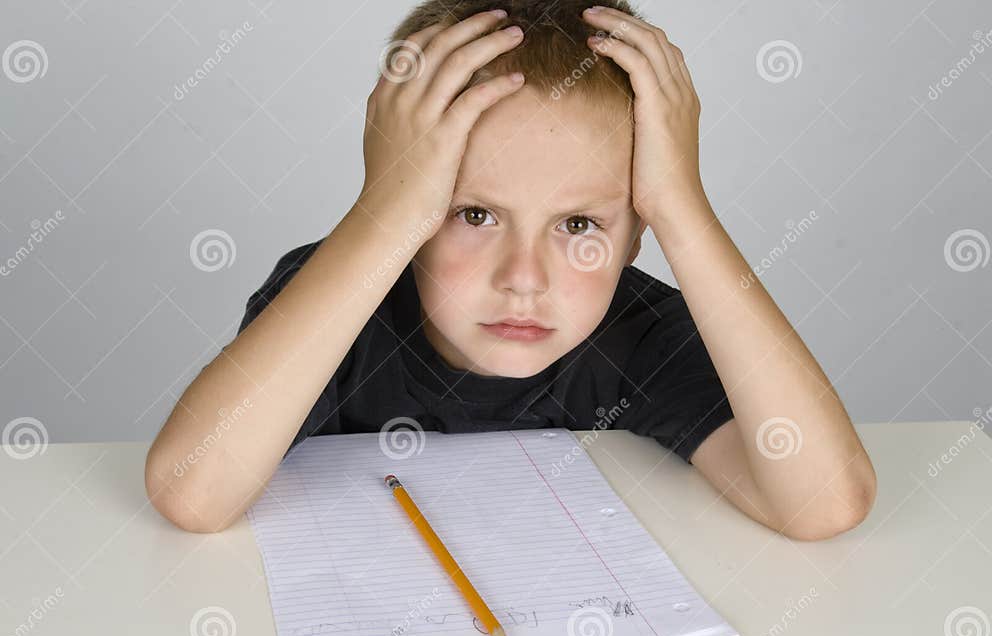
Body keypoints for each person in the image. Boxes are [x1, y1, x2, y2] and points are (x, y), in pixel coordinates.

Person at [145, 1, 877, 540]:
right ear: (409, 209)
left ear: (636, 234)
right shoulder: (335, 301)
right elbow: (192, 493)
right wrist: (383, 217)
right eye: (474, 214)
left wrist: (682, 208)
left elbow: (823, 506)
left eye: (579, 226)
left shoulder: (639, 333)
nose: (523, 278)